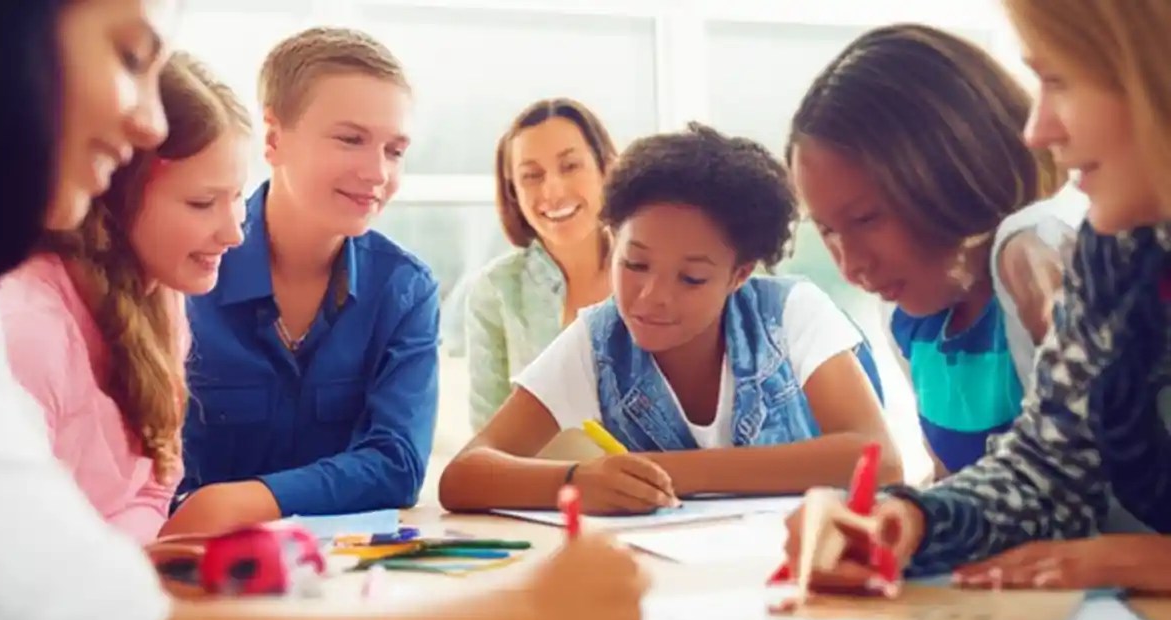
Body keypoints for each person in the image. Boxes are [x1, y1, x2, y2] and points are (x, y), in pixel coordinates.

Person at [0, 3, 647, 620]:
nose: (149, 119)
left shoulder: (127, 294)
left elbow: (125, 529)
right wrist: (522, 613)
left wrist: (138, 559)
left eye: (394, 148)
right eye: (128, 57)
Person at [782, 1, 1171, 594]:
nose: (1038, 131)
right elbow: (1050, 474)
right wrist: (909, 519)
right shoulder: (1117, 249)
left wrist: (1141, 561)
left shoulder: (1036, 248)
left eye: (1059, 81)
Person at [440, 123, 896, 515]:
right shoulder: (598, 341)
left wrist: (670, 472)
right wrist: (576, 481)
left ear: (739, 275)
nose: (652, 297)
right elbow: (464, 475)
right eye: (634, 265)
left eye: (692, 278)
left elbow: (879, 459)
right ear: (613, 240)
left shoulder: (791, 312)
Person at [166, 27, 440, 535]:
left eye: (395, 150)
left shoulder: (405, 290)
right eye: (351, 139)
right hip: (188, 558)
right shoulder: (183, 272)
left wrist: (246, 500)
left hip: (349, 567)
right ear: (273, 139)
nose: (377, 172)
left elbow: (398, 464)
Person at [787, 23, 1079, 479]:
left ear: (954, 173)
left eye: (866, 219)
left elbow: (1079, 480)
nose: (851, 267)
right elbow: (952, 477)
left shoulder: (1035, 255)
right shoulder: (907, 320)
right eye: (826, 231)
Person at [0, 51, 250, 544]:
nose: (234, 233)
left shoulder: (162, 296)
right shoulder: (28, 329)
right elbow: (8, 542)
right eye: (202, 203)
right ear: (112, 195)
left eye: (237, 196)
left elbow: (154, 489)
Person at [467, 98, 617, 429]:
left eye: (570, 166)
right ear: (514, 193)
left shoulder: (654, 271)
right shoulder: (496, 291)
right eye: (531, 176)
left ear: (605, 169)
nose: (553, 191)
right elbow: (486, 436)